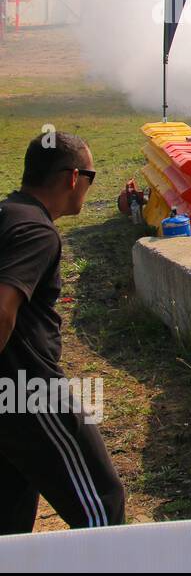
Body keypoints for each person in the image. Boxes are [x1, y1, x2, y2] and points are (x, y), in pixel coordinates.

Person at [1, 132, 126, 534]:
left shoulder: (7, 213)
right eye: (91, 176)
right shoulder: (37, 231)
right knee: (102, 507)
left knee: (9, 511)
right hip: (26, 392)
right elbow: (2, 310)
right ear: (74, 178)